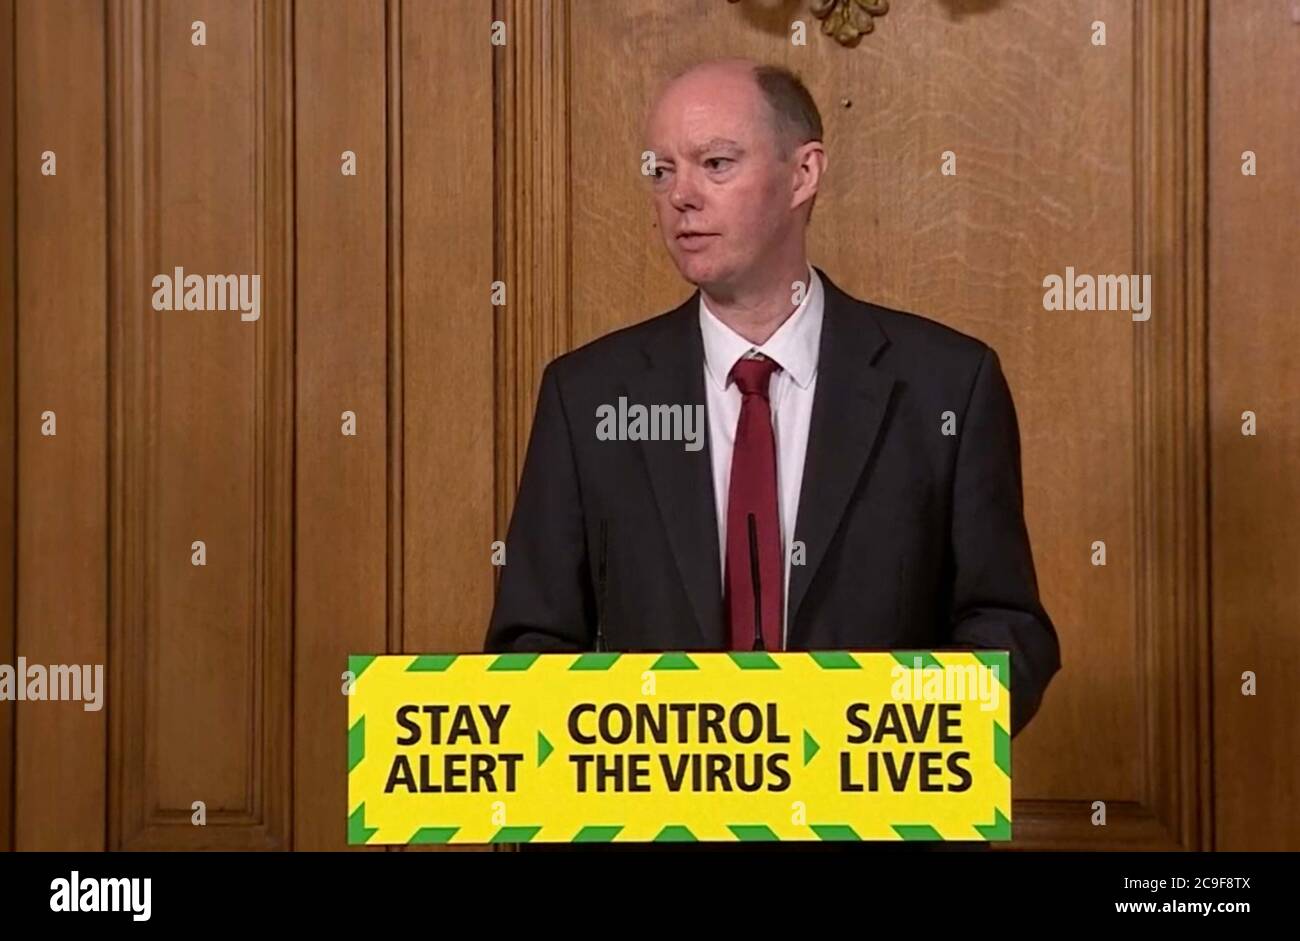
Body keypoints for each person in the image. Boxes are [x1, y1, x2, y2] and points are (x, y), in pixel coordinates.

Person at [485, 57, 1060, 745]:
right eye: (661, 170)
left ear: (804, 173)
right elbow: (531, 646)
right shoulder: (587, 396)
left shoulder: (947, 385)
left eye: (716, 164)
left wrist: (878, 745)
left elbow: (1008, 632)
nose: (681, 196)